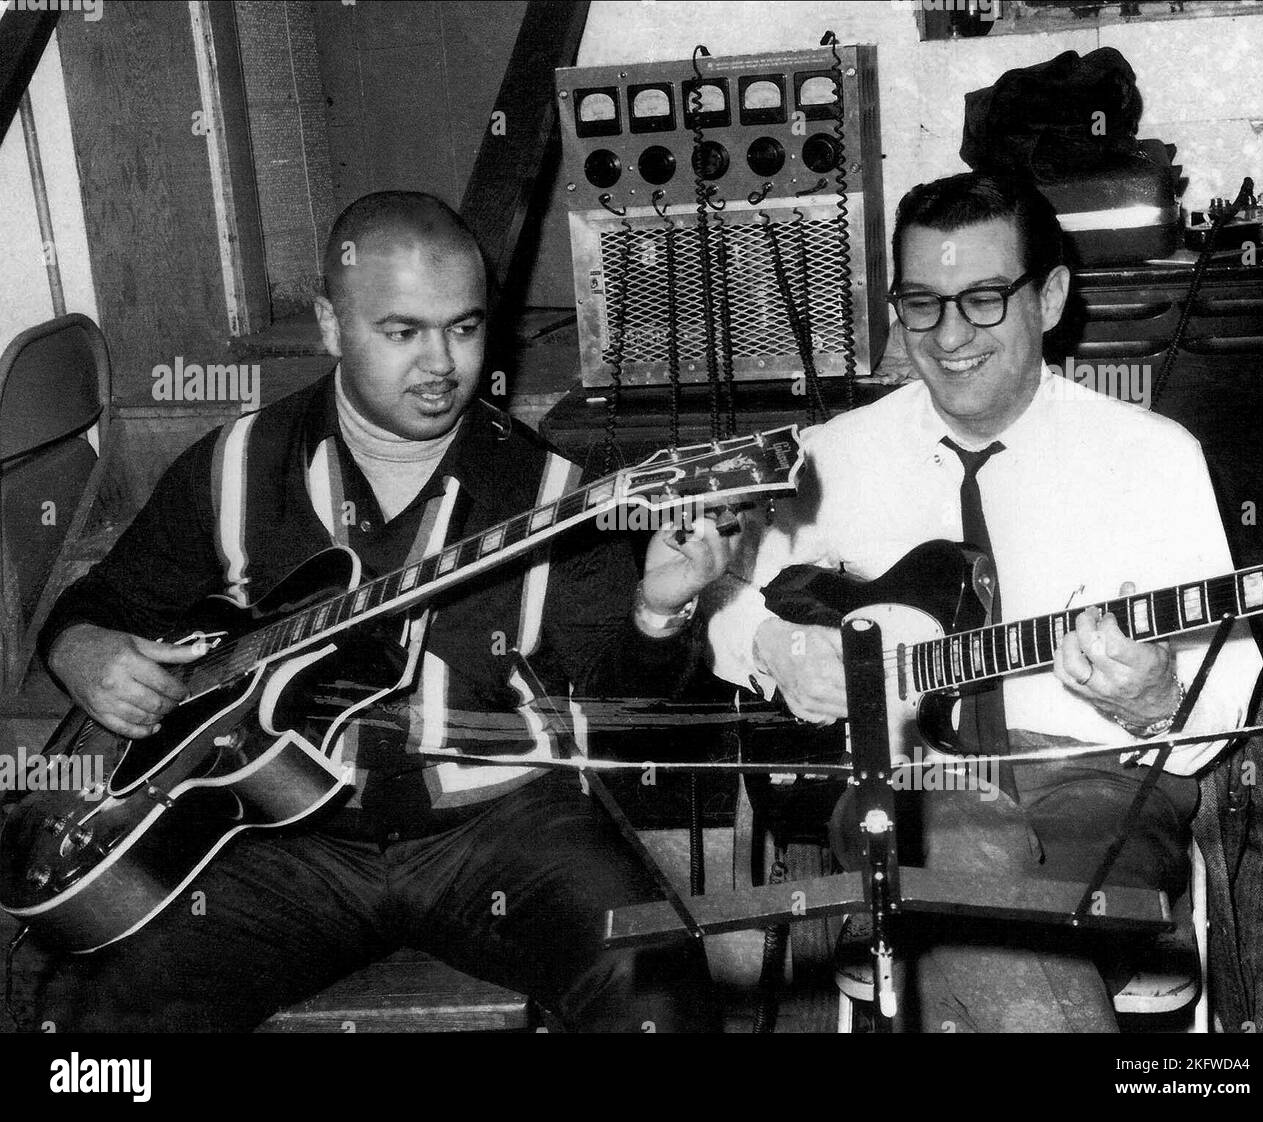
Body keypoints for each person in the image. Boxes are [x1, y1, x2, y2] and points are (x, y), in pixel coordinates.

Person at [27, 191, 733, 1032]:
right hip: (280, 843)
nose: (441, 364)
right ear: (330, 324)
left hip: (496, 828)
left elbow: (621, 711)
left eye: (464, 329)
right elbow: (104, 600)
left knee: (657, 981)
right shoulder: (237, 464)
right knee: (94, 1008)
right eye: (402, 332)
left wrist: (658, 614)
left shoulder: (556, 494)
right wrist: (83, 648)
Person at [706, 172, 1263, 1032]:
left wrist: (1153, 697)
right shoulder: (830, 455)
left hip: (1098, 784)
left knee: (969, 897)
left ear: (1050, 297)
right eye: (922, 303)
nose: (950, 335)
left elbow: (1226, 694)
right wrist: (774, 646)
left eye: (984, 299)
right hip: (900, 781)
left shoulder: (1154, 457)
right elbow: (722, 596)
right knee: (958, 842)